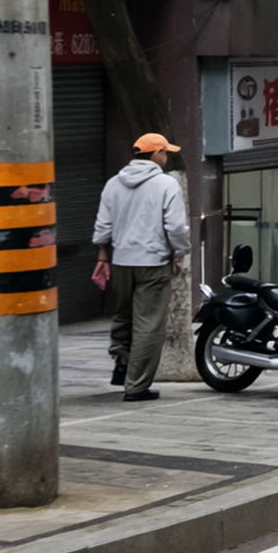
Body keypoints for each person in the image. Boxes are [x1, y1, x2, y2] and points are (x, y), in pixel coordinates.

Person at [91, 133, 190, 402]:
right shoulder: (165, 184)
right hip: (153, 263)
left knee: (123, 316)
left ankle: (122, 360)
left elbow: (103, 225)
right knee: (149, 325)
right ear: (156, 154)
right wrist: (179, 252)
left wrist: (103, 255)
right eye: (165, 152)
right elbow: (176, 227)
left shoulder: (114, 183)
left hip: (121, 261)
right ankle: (136, 386)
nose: (166, 157)